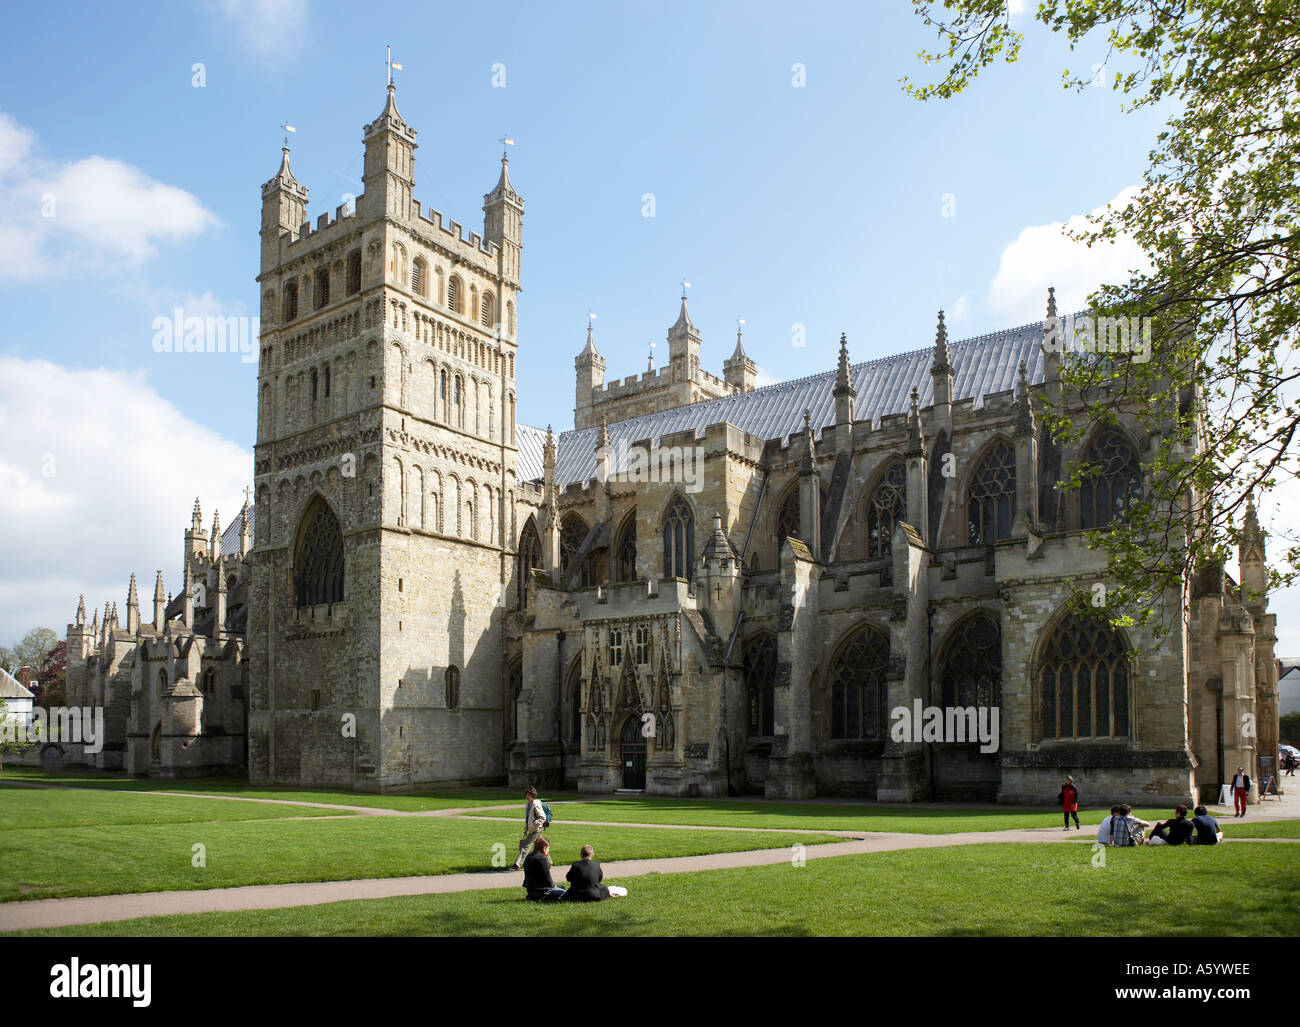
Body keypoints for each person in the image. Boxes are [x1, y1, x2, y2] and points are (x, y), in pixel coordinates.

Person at [511, 786, 548, 870]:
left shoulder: (536, 805)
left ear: (532, 795)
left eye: (528, 795)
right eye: (526, 795)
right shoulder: (528, 805)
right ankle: (548, 861)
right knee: (540, 845)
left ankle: (517, 864)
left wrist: (534, 824)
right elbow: (527, 818)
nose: (526, 797)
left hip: (536, 829)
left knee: (525, 846)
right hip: (532, 829)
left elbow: (542, 817)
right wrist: (525, 829)